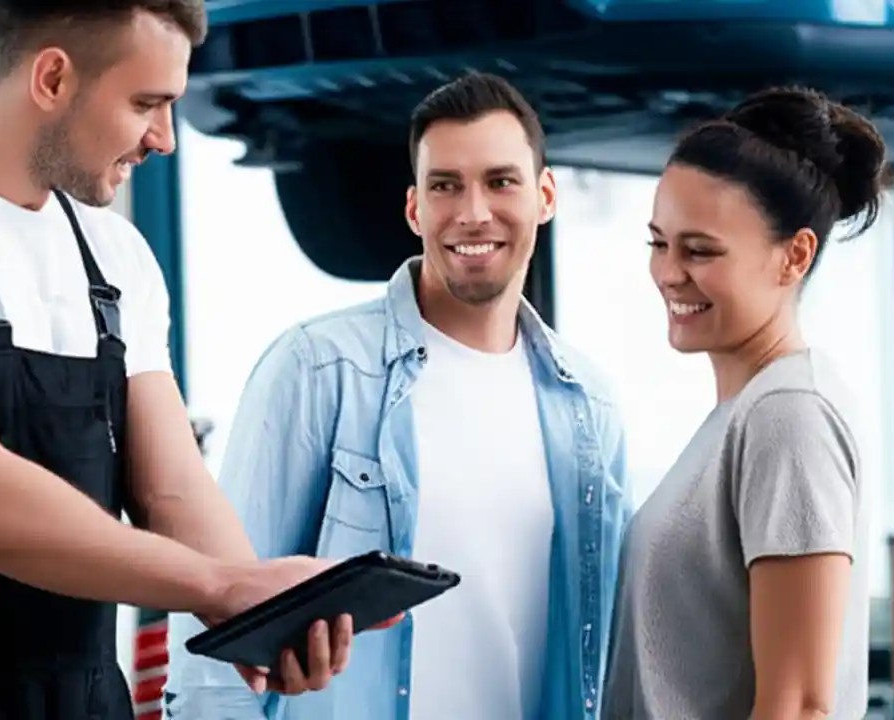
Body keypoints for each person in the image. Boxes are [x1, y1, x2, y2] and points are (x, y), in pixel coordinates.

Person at [0, 2, 378, 717]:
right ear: (53, 78)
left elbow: (170, 488)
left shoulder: (114, 253)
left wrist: (264, 613)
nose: (165, 139)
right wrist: (216, 587)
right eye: (145, 104)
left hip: (84, 699)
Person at [165, 72, 631, 720]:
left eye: (501, 181)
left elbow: (604, 648)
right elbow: (217, 635)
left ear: (545, 196)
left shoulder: (589, 404)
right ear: (415, 208)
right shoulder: (319, 369)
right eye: (446, 185)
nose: (473, 212)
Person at [601, 86, 889, 719]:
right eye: (658, 243)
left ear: (795, 256)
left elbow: (801, 707)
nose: (668, 272)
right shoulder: (744, 413)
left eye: (700, 250)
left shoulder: (789, 414)